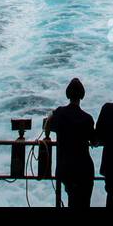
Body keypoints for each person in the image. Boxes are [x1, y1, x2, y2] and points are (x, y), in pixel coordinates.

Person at [44, 77, 95, 207]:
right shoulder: (87, 118)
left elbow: (48, 122)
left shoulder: (59, 113)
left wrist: (47, 136)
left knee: (70, 197)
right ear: (82, 95)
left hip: (64, 168)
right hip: (83, 168)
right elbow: (94, 140)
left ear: (68, 95)